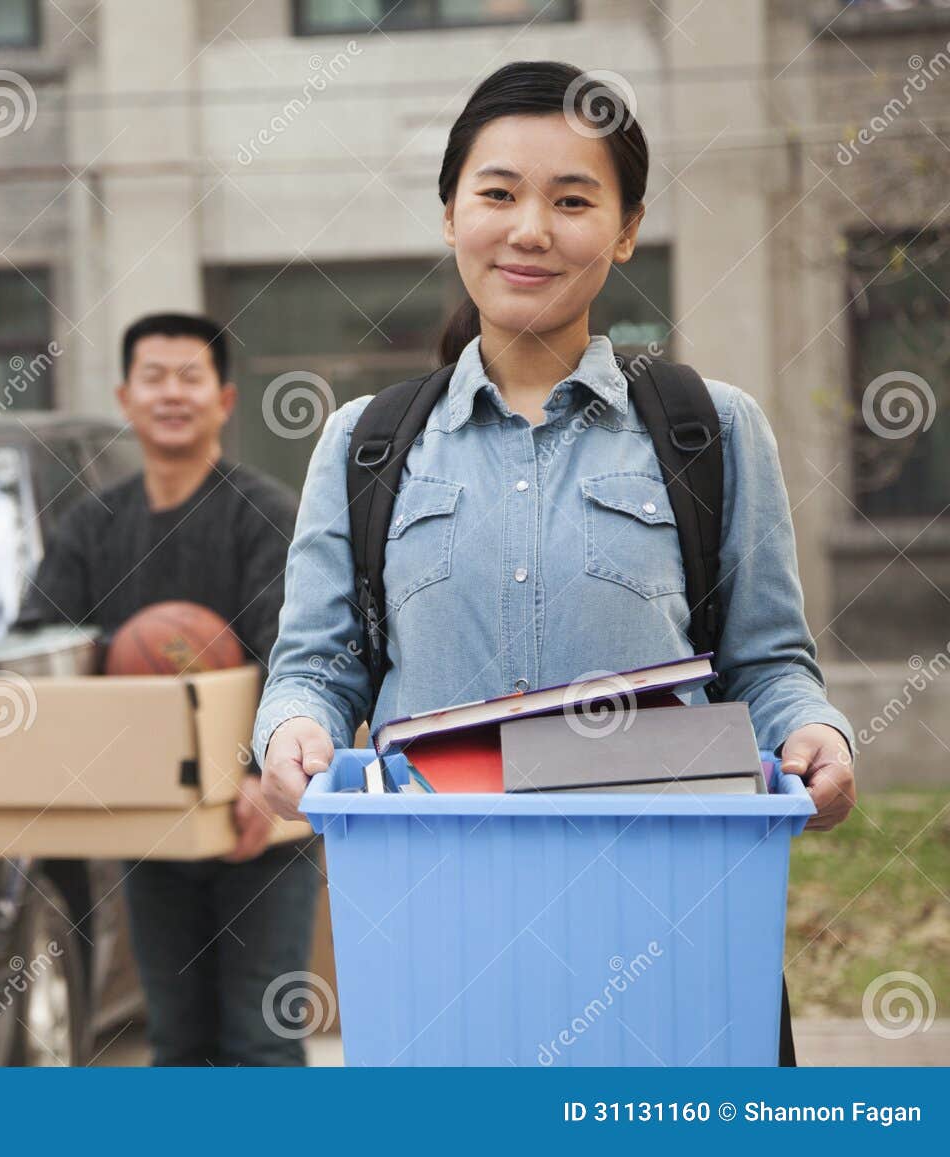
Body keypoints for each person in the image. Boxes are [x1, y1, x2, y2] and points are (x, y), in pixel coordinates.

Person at [251, 62, 858, 1061]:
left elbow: (768, 662)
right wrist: (294, 731)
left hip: (668, 922)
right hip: (433, 930)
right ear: (450, 213)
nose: (529, 229)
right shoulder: (365, 443)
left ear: (624, 230)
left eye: (572, 200)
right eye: (496, 193)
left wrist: (817, 735)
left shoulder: (709, 430)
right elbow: (317, 663)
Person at [18, 312, 320, 1066]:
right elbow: (38, 646)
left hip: (261, 824)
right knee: (177, 1041)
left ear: (223, 400)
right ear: (126, 398)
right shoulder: (92, 528)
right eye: (154, 378)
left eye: (191, 377)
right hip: (149, 823)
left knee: (260, 1040)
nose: (171, 394)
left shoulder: (265, 514)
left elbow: (298, 655)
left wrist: (261, 777)